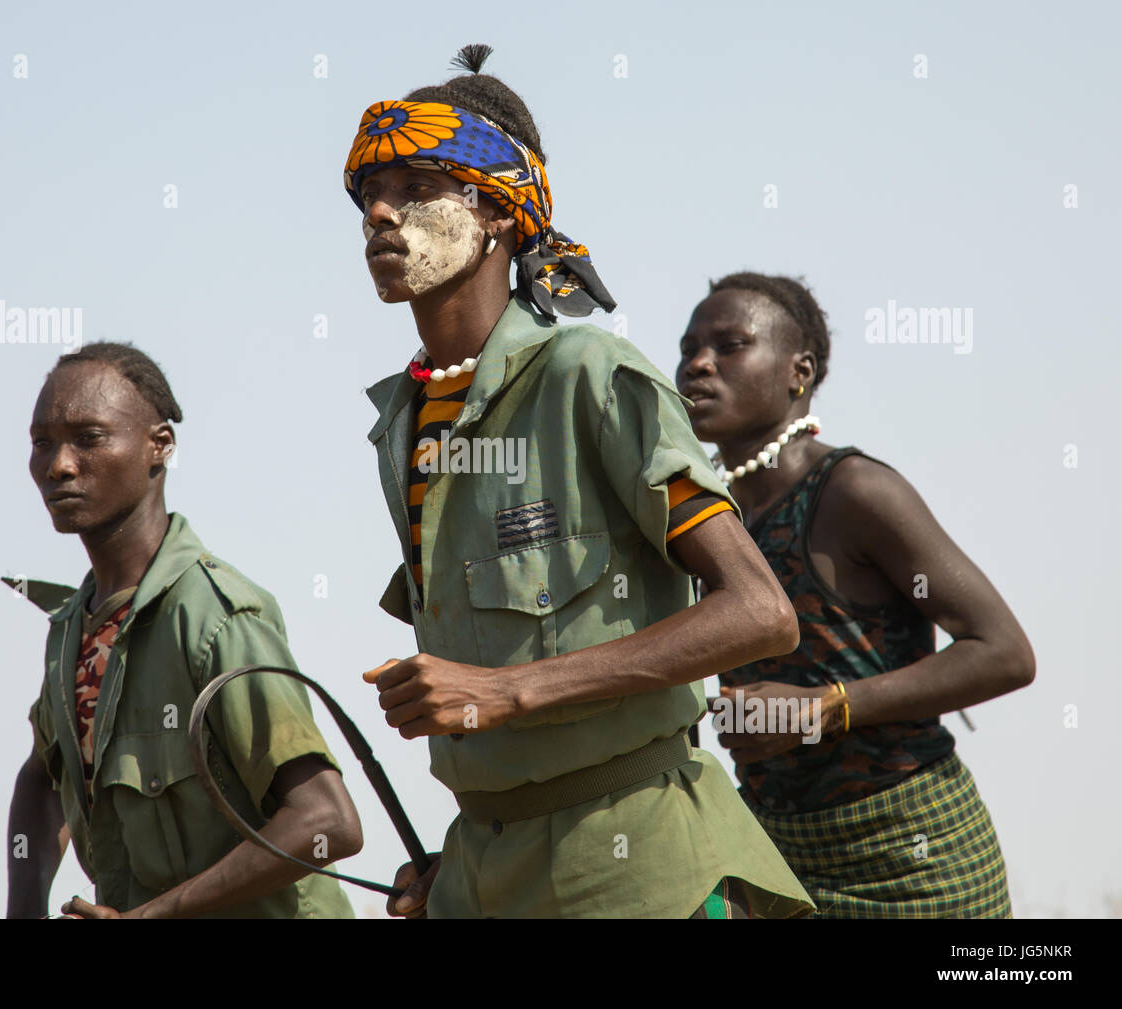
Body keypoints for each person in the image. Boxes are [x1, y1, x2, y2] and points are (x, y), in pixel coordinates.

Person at [347, 45, 815, 919]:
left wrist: (504, 691)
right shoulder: (404, 424)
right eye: (367, 194)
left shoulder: (588, 374)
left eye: (414, 189)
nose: (379, 212)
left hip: (634, 869)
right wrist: (458, 861)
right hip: (482, 874)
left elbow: (762, 612)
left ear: (492, 210)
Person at [677, 271, 1035, 918]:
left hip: (914, 858)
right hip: (777, 859)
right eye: (689, 348)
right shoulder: (709, 523)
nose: (697, 364)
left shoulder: (854, 492)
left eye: (729, 345)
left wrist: (828, 706)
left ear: (799, 372)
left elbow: (1005, 651)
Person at [5, 342, 360, 918]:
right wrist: (22, 909)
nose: (59, 465)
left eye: (89, 438)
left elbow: (328, 821)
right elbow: (45, 777)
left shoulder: (215, 616)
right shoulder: (75, 625)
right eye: (42, 442)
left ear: (159, 446)